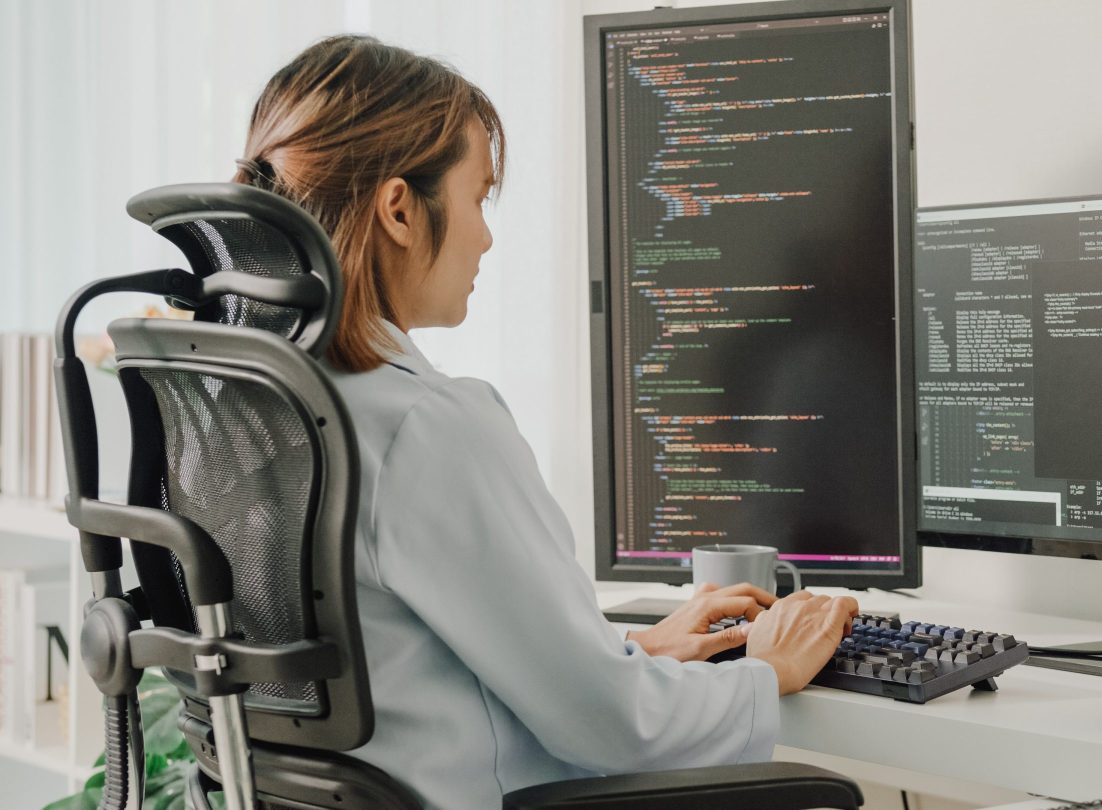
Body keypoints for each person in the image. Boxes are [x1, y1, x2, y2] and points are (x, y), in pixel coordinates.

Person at [231, 35, 860, 809]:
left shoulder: (245, 407)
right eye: (477, 197)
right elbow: (617, 730)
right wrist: (770, 669)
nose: (486, 236)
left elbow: (398, 664)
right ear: (399, 207)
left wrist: (622, 650)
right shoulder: (427, 424)